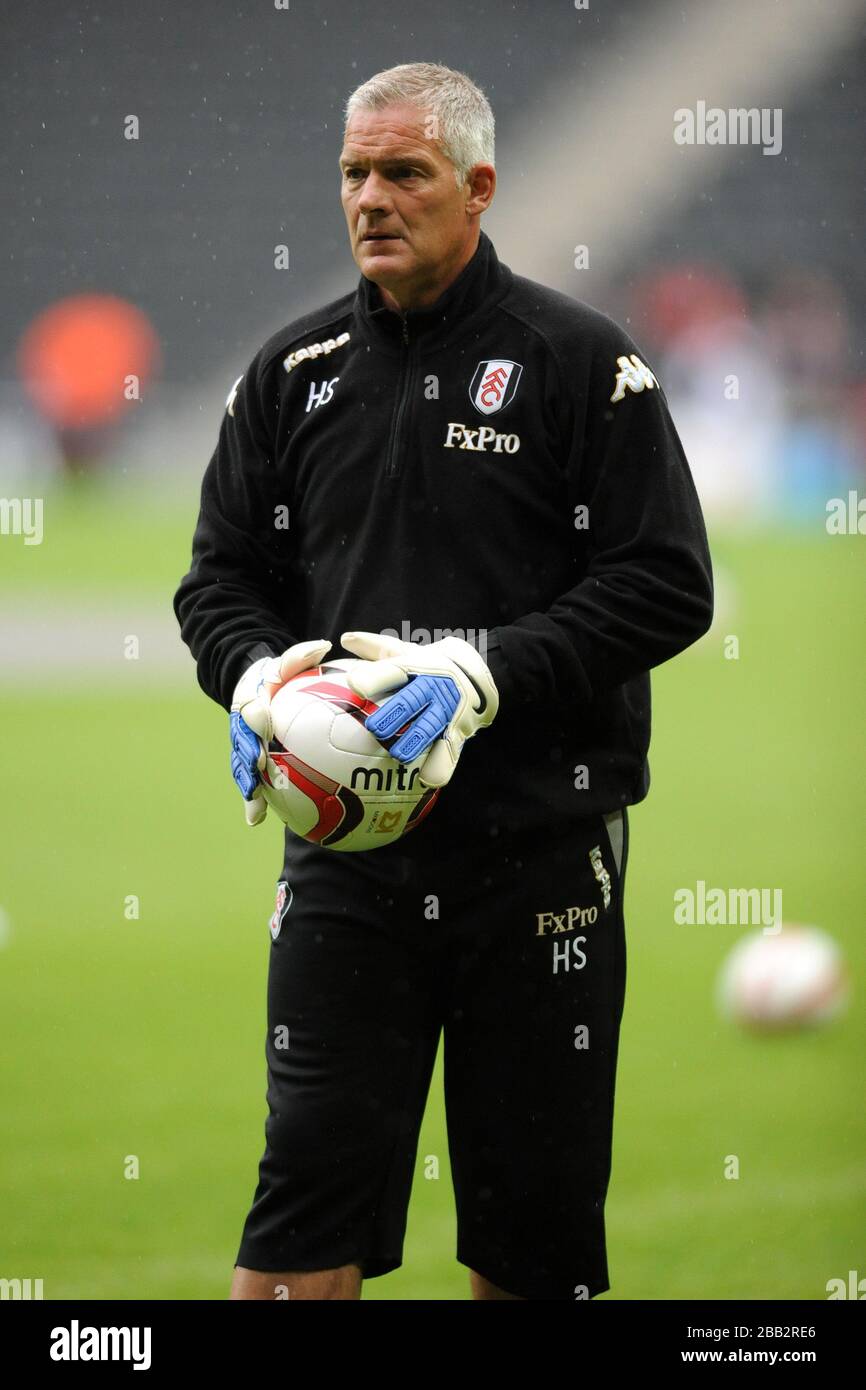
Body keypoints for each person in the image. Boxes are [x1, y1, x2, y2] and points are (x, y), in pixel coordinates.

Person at [173, 61, 713, 1301]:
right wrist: (253, 681)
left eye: (402, 172)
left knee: (530, 1248)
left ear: (476, 187)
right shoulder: (291, 372)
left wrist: (483, 676)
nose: (371, 198)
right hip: (346, 867)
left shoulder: (581, 364)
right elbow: (217, 586)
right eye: (354, 173)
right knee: (298, 1218)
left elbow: (665, 583)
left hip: (536, 859)